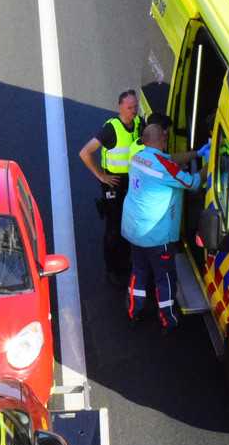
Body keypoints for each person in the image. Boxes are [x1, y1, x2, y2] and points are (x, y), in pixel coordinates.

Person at [121, 119, 201, 334]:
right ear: (163, 139)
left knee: (138, 272)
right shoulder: (163, 167)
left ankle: (133, 313)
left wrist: (195, 153)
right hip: (157, 235)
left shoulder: (138, 157)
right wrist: (210, 163)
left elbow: (168, 161)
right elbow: (192, 183)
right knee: (164, 278)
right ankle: (168, 320)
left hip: (133, 230)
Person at [78, 90, 143, 287]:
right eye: (129, 107)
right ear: (120, 108)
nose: (133, 110)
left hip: (133, 180)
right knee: (114, 227)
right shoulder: (111, 129)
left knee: (130, 222)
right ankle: (112, 269)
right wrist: (102, 176)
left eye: (135, 106)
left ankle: (125, 261)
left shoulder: (139, 123)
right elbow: (85, 153)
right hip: (114, 182)